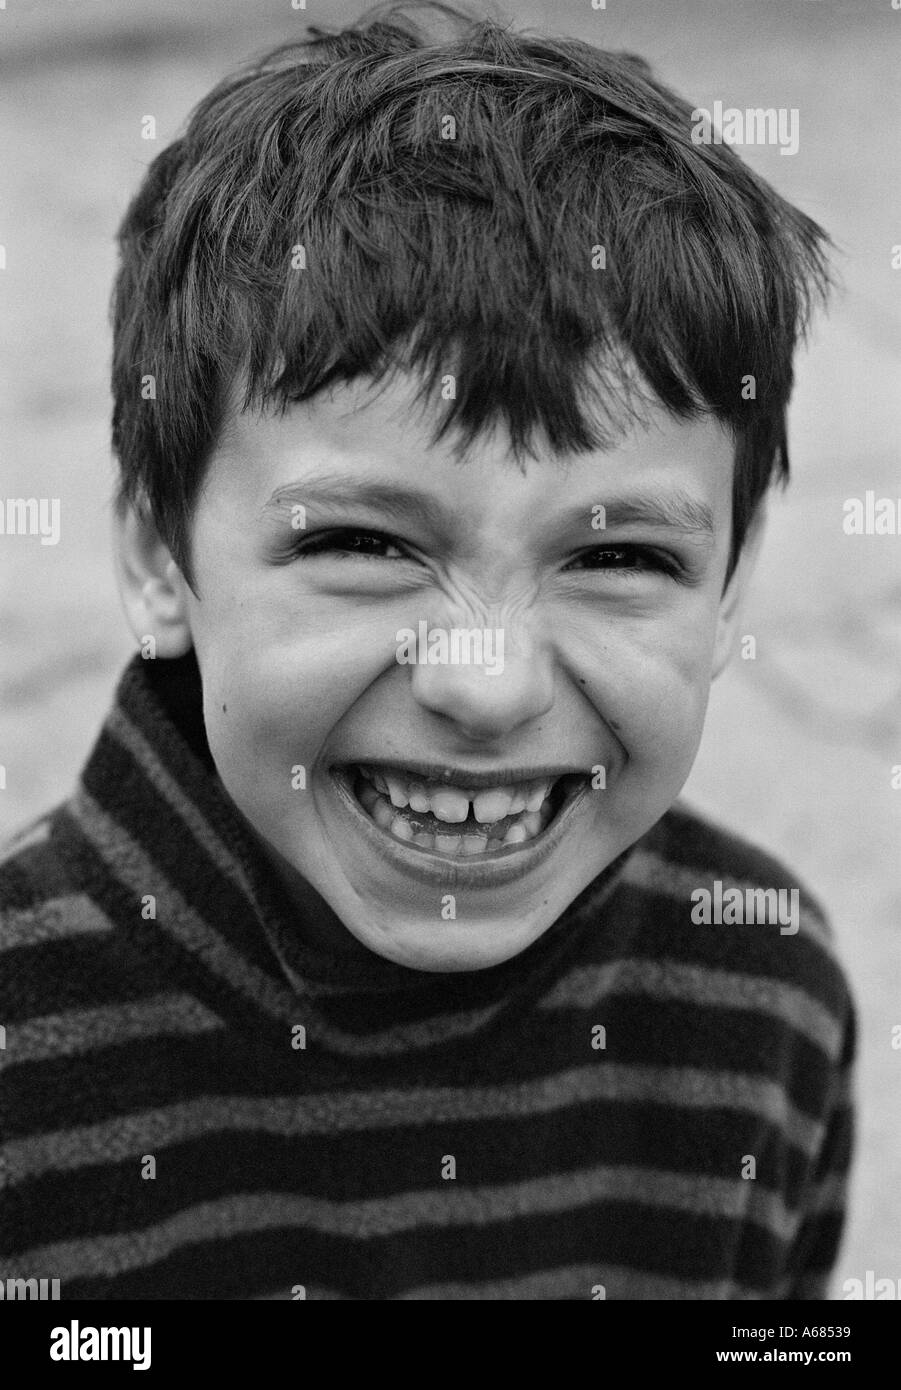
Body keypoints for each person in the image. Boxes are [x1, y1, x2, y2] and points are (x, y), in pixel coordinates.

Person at [0, 2, 854, 1299]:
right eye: (363, 542)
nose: (485, 682)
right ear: (159, 558)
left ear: (729, 590)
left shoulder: (762, 999)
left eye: (619, 558)